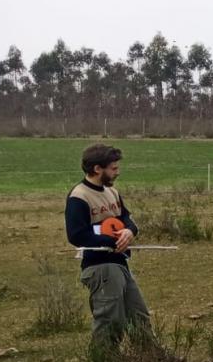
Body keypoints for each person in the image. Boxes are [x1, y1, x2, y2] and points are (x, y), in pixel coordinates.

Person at [65, 143, 152, 349]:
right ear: (97, 169)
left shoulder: (112, 192)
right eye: (113, 168)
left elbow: (126, 218)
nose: (117, 172)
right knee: (110, 321)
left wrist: (129, 231)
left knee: (139, 315)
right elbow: (76, 235)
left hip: (120, 263)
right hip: (100, 267)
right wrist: (113, 241)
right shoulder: (79, 196)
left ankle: (153, 361)